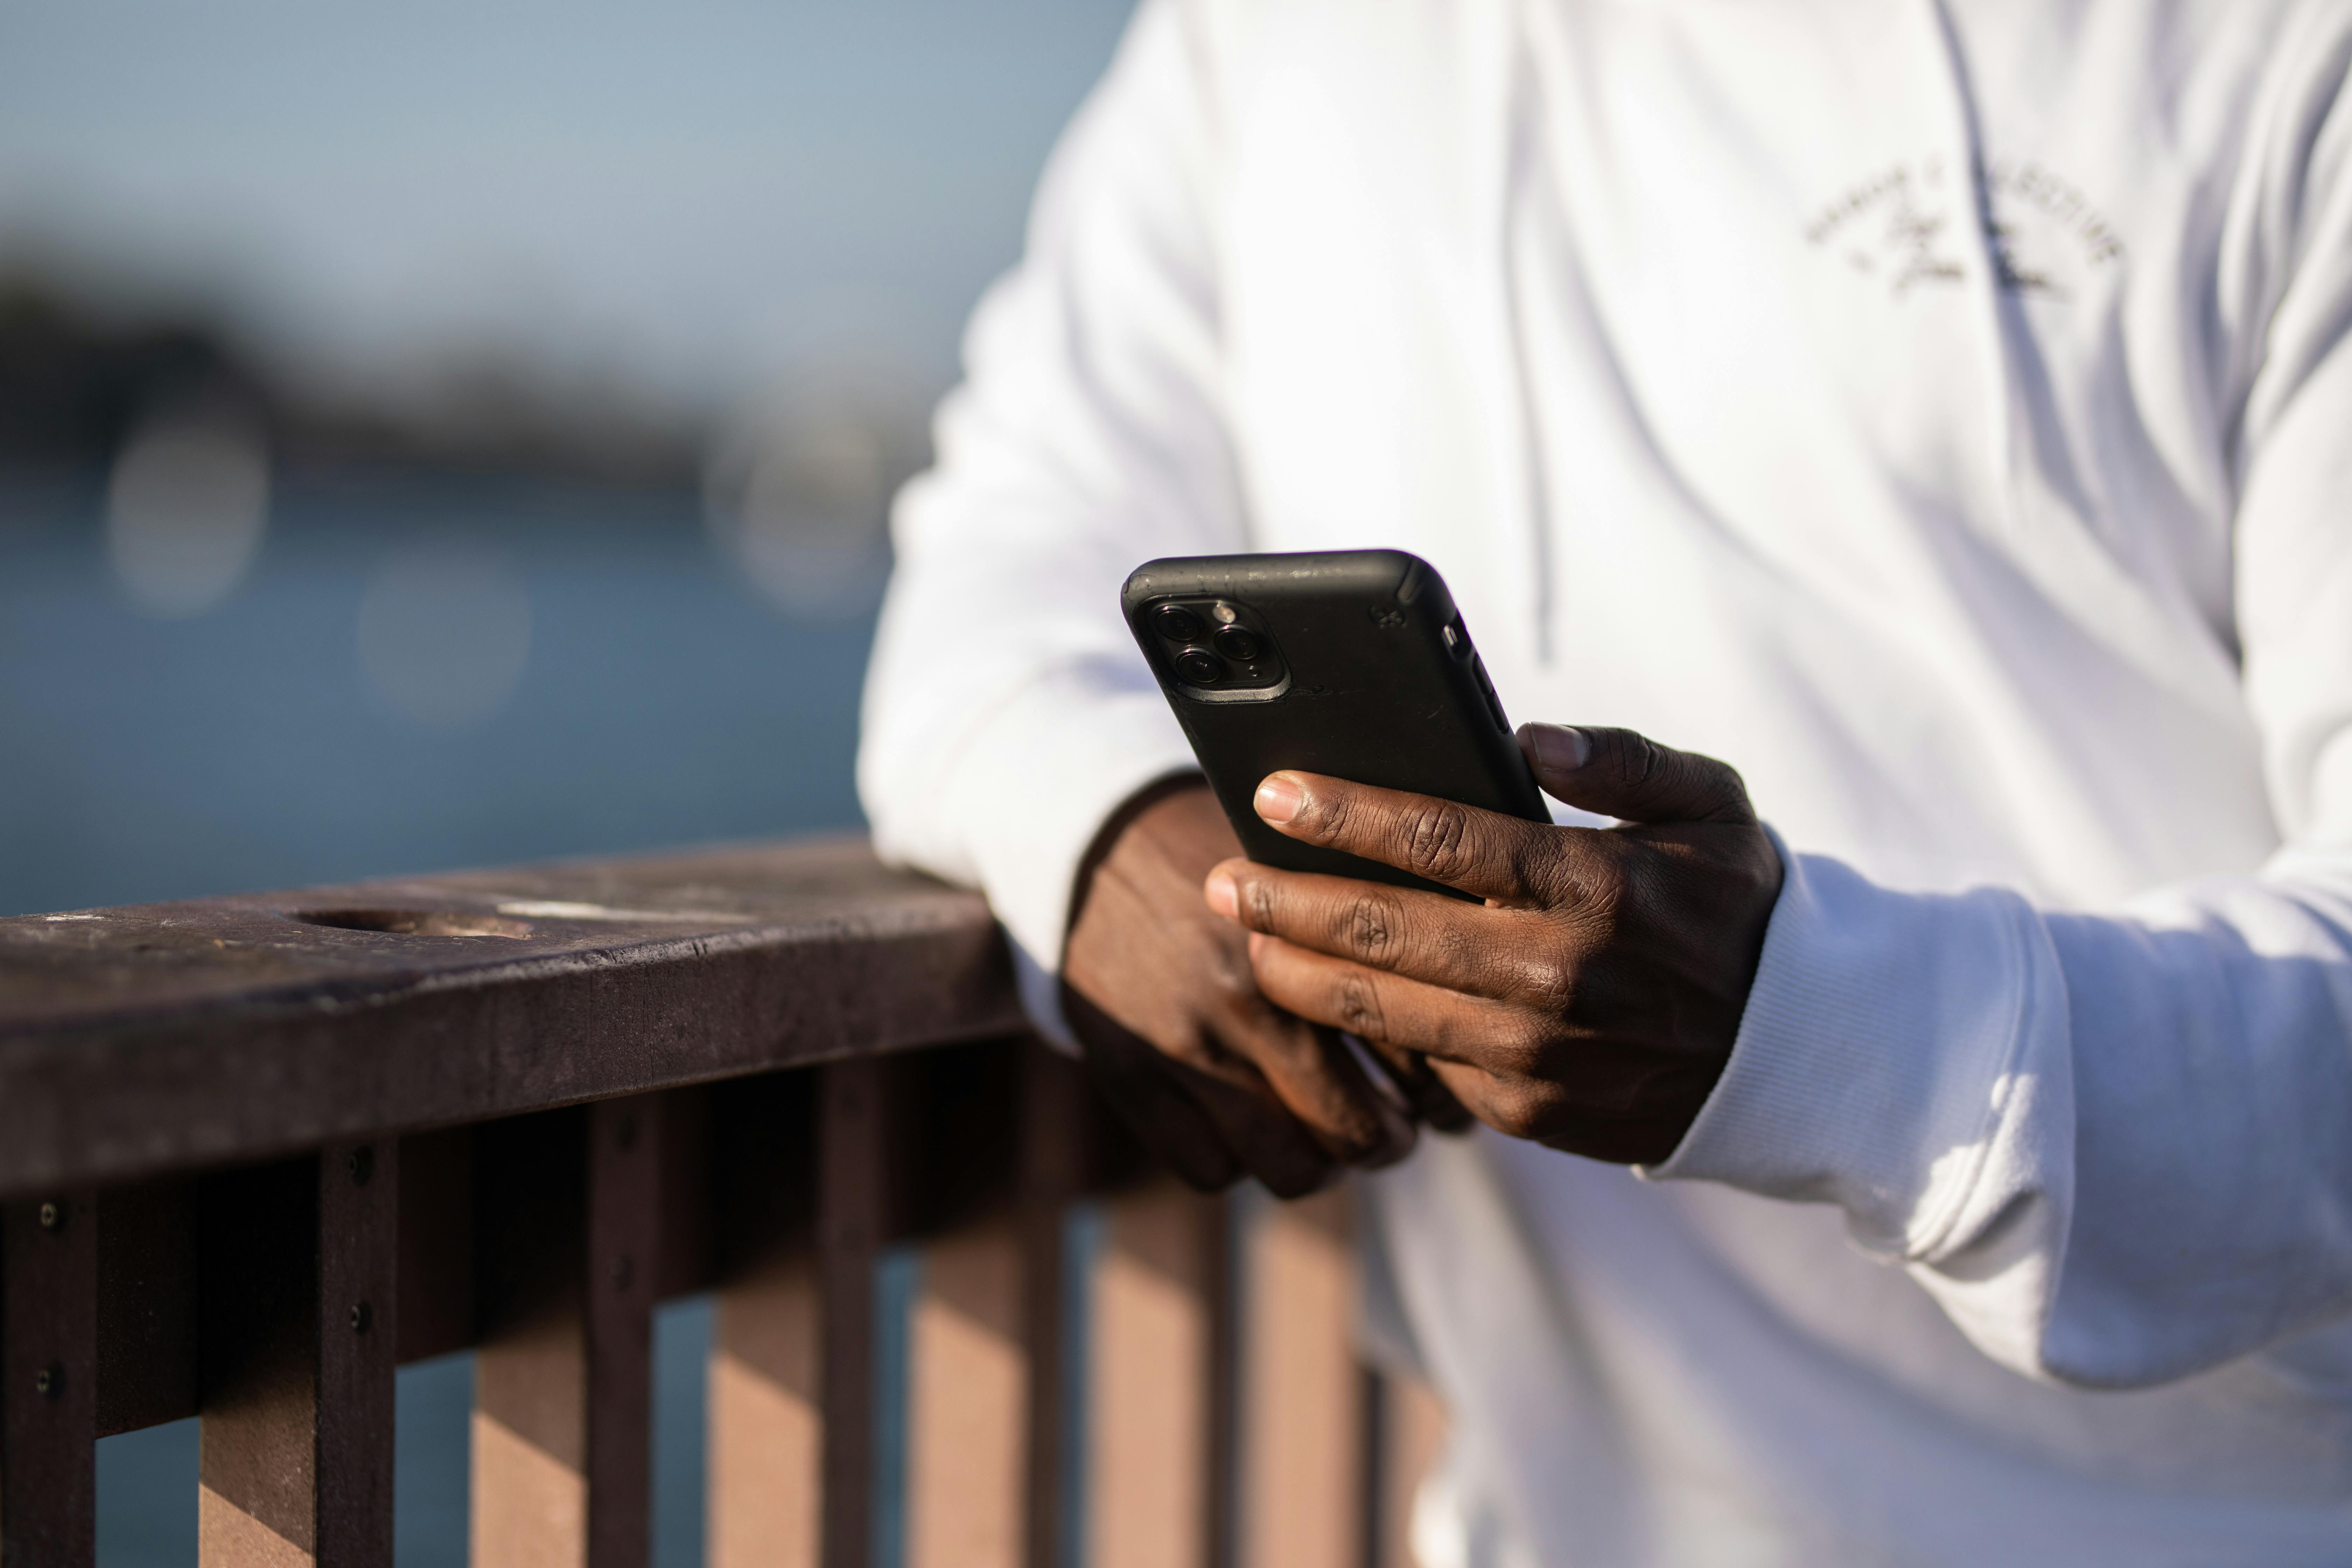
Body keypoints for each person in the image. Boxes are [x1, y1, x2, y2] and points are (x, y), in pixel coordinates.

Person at [859, 0, 2352, 1559]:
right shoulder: (1264, 40)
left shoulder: (2285, 52)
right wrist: (1115, 828)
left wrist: (1810, 1032)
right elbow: (987, 588)